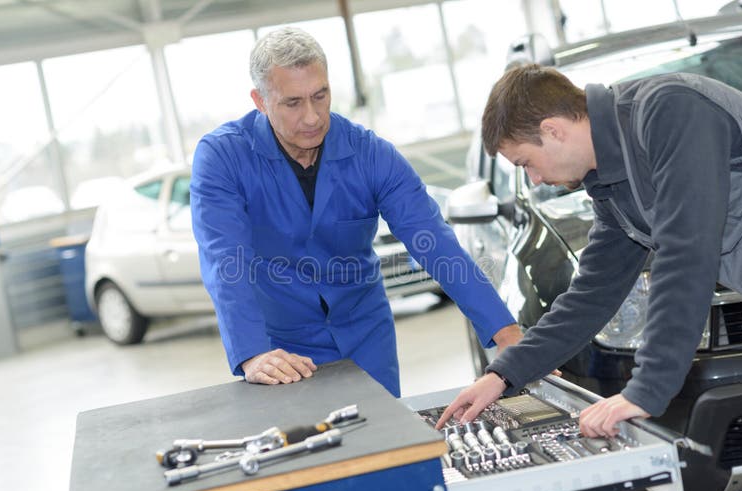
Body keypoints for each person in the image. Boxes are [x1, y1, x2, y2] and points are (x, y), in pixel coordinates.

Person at [189, 27, 521, 397]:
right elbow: (225, 259)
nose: (312, 117)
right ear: (261, 101)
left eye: (320, 96)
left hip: (365, 335)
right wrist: (252, 353)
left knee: (386, 433)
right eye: (293, 103)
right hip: (279, 347)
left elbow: (434, 242)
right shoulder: (222, 158)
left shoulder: (371, 155)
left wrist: (504, 331)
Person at [437, 63, 742, 437]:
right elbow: (593, 293)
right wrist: (504, 374)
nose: (535, 179)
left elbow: (685, 253)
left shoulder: (669, 111)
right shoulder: (611, 185)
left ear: (552, 130)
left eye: (526, 163)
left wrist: (647, 389)